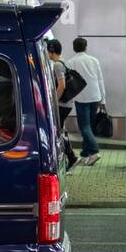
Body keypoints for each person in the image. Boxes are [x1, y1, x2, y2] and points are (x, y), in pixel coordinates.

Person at [65, 36, 105, 166]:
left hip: (81, 97)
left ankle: (94, 152)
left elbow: (69, 83)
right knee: (89, 126)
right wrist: (103, 99)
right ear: (86, 47)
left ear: (74, 48)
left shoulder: (70, 62)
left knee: (85, 127)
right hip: (95, 96)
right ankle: (85, 153)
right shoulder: (94, 60)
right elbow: (100, 80)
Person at [46, 39, 78, 171]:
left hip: (61, 105)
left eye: (47, 51)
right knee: (59, 131)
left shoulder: (57, 65)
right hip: (66, 104)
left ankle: (71, 157)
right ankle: (69, 157)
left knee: (57, 132)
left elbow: (62, 85)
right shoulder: (62, 63)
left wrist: (53, 101)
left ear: (51, 52)